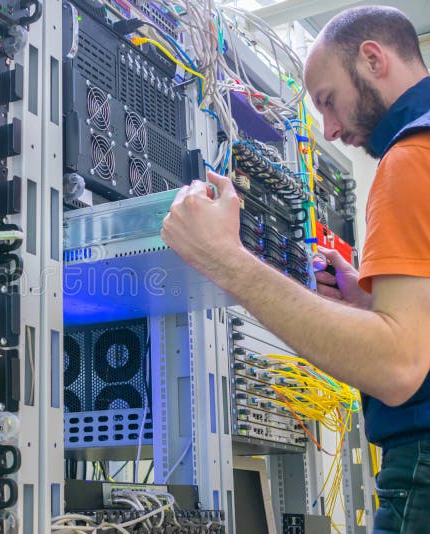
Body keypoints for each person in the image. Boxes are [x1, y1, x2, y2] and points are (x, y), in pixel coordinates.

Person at [160, 6, 430, 533]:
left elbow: (399, 368)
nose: (329, 127)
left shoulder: (411, 158)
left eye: (329, 101)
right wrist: (372, 306)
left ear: (373, 59)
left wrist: (226, 259)